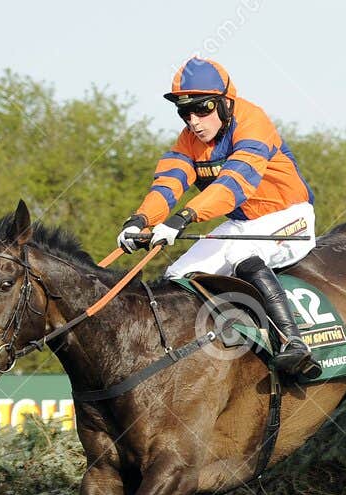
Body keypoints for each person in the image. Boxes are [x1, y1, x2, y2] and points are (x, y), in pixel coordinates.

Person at [117, 57, 319, 378]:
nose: (194, 121)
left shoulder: (253, 121)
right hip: (243, 224)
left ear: (225, 102)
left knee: (242, 254)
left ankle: (294, 343)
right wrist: (140, 220)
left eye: (202, 108)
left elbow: (234, 184)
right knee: (178, 274)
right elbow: (169, 184)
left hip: (291, 216)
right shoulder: (189, 140)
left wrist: (184, 217)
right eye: (185, 113)